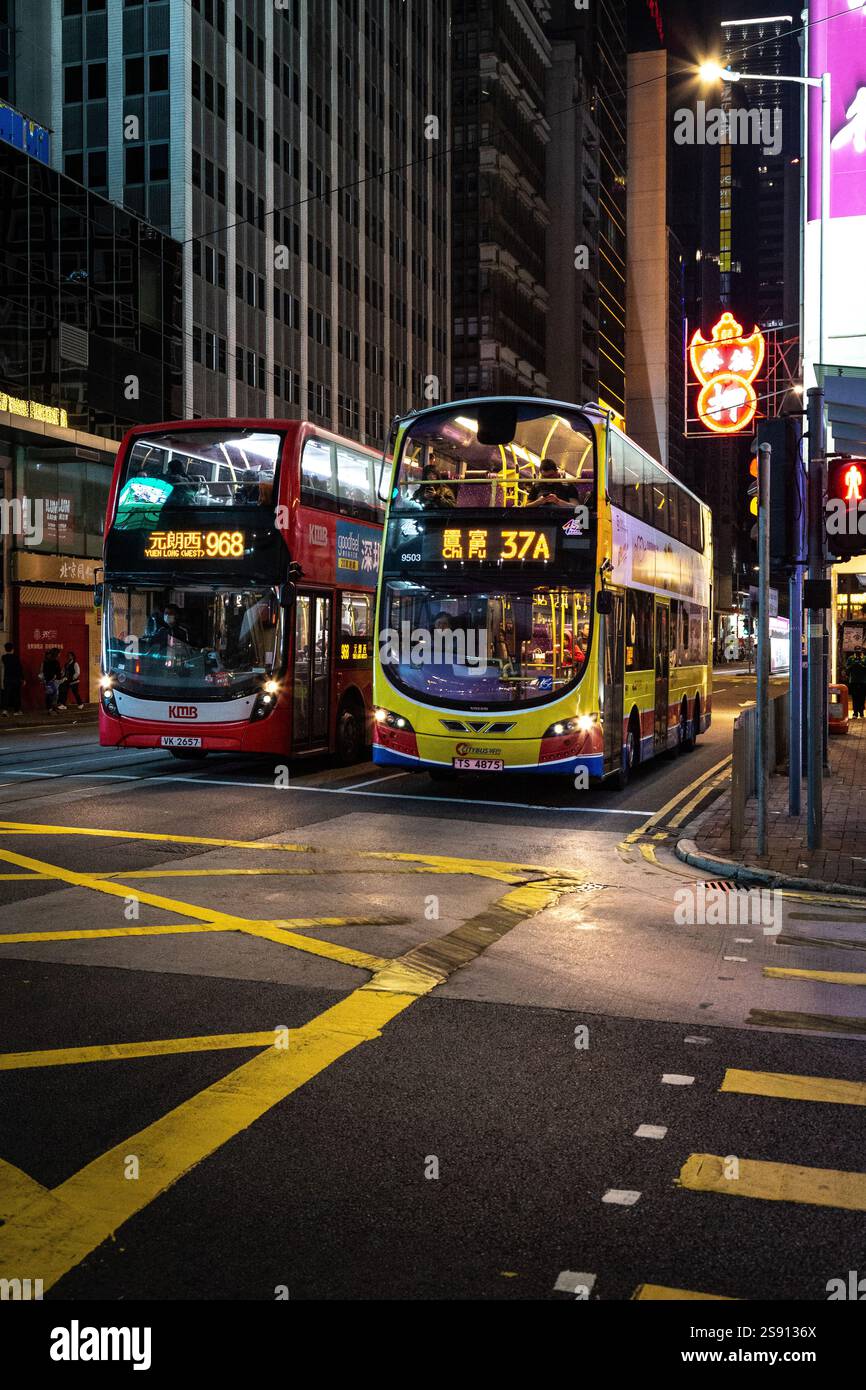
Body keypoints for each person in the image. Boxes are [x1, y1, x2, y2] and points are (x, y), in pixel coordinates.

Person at [1, 641, 24, 717]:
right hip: (16, 679)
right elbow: (19, 669)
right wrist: (22, 678)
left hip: (7, 678)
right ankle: (16, 711)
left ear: (5, 649)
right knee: (16, 695)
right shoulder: (16, 658)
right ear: (13, 649)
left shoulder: (3, 658)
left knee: (6, 695)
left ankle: (5, 710)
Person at [845, 644, 866, 718]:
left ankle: (861, 712)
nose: (858, 653)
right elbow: (846, 669)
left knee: (862, 697)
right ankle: (855, 713)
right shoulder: (851, 658)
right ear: (854, 652)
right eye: (856, 652)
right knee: (855, 697)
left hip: (863, 681)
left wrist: (861, 665)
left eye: (859, 652)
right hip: (853, 681)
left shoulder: (865, 658)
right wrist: (853, 665)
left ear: (861, 652)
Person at [40, 647, 62, 714]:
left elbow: (44, 671)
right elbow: (58, 672)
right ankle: (52, 709)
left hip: (48, 680)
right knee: (53, 695)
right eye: (59, 653)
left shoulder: (46, 661)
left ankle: (50, 709)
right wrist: (57, 676)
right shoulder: (55, 662)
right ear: (56, 654)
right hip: (52, 680)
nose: (59, 655)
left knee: (50, 694)